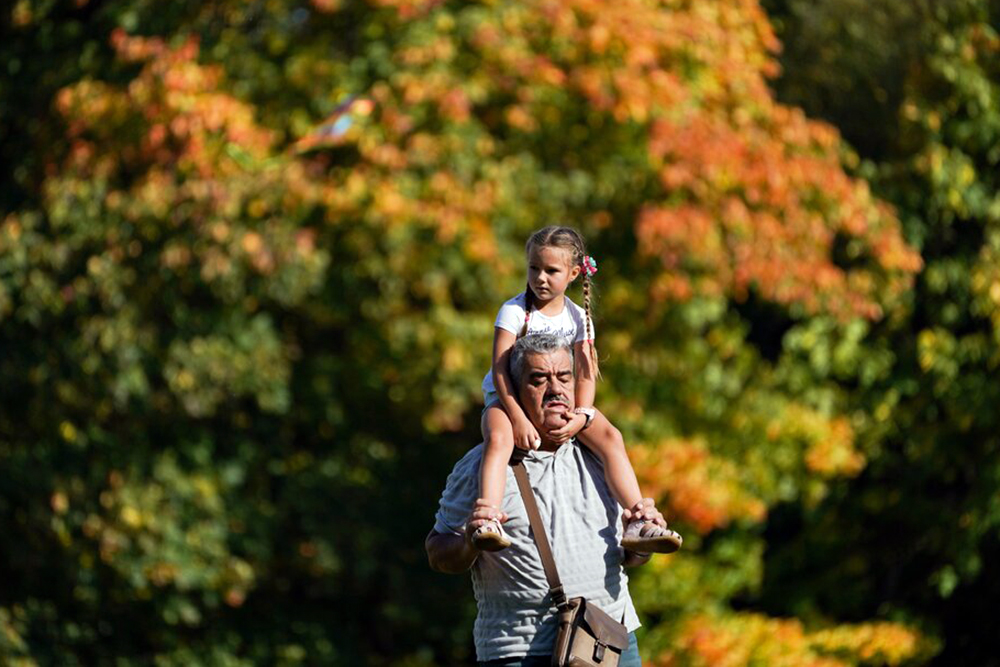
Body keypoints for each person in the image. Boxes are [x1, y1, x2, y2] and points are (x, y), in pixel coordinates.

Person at [426, 334, 674, 665]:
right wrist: (470, 544)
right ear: (514, 391)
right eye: (539, 379)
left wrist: (640, 545)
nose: (555, 390)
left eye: (564, 378)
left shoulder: (601, 457)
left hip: (609, 645)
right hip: (518, 651)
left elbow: (629, 559)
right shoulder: (483, 467)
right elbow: (438, 553)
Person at [474, 225, 680, 554]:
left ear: (572, 273)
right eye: (534, 268)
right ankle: (487, 516)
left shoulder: (578, 318)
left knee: (611, 437)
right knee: (498, 438)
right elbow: (499, 368)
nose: (540, 278)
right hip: (508, 398)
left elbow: (585, 375)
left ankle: (638, 519)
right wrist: (517, 417)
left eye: (551, 271)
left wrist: (583, 415)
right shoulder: (513, 312)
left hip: (561, 403)